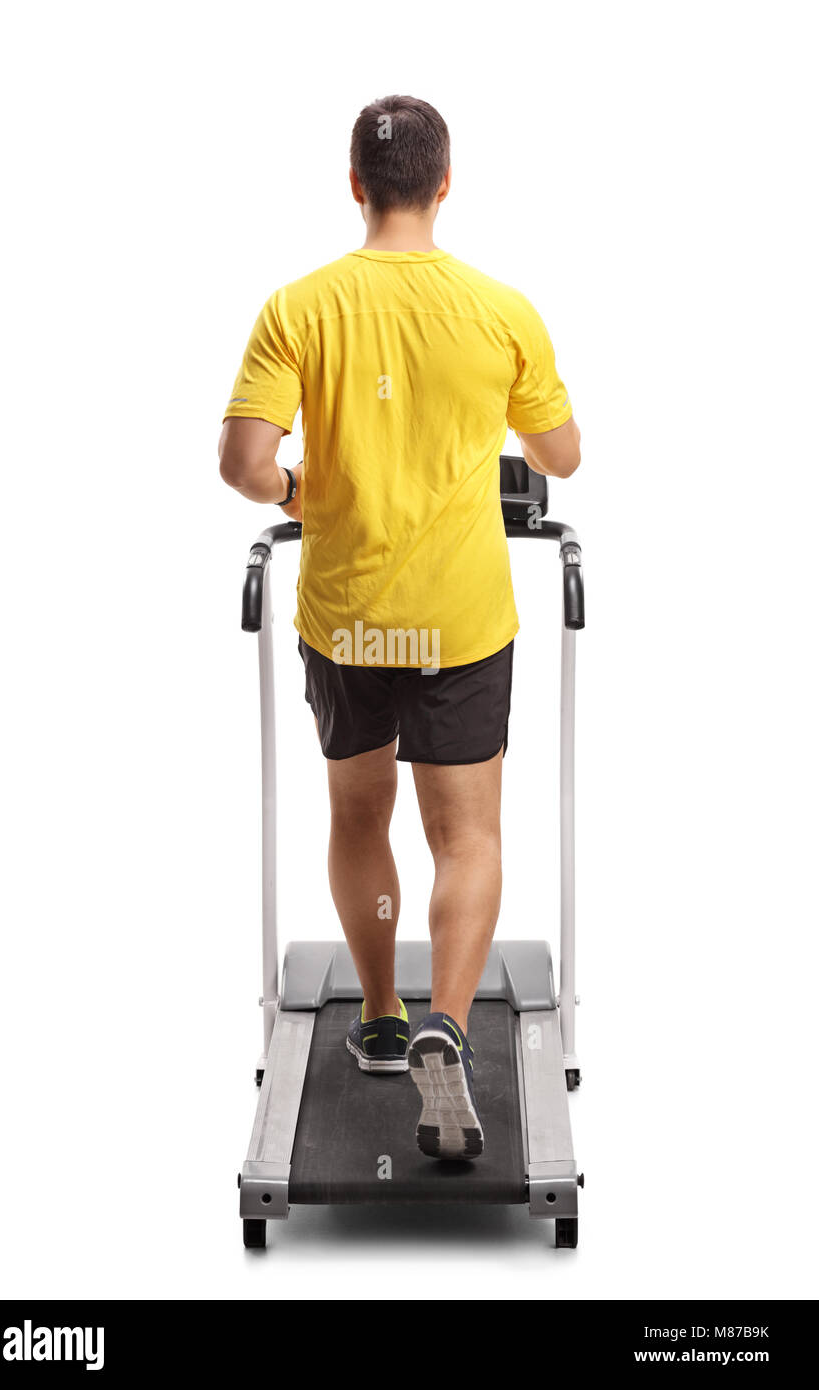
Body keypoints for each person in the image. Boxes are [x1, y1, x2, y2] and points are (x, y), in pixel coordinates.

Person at [219, 94, 580, 1160]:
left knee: (359, 816)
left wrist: (297, 488)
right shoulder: (498, 309)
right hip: (460, 620)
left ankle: (379, 1012)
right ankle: (447, 1030)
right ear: (444, 184)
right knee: (464, 834)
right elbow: (561, 457)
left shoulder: (300, 307)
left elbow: (243, 466)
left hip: (348, 619)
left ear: (353, 185)